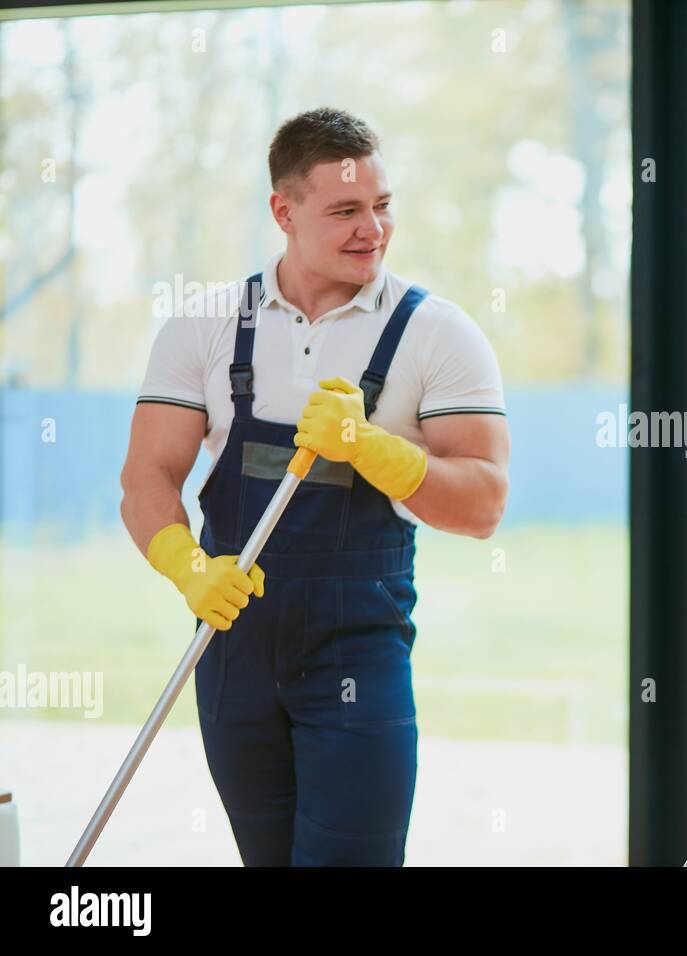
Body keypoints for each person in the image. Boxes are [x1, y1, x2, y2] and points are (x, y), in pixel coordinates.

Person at [120, 107, 510, 866]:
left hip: (356, 655)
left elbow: (485, 502)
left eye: (382, 205)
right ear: (283, 211)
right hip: (231, 650)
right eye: (345, 211)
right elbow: (146, 477)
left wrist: (374, 447)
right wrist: (185, 566)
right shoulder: (205, 325)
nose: (374, 228)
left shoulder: (438, 333)